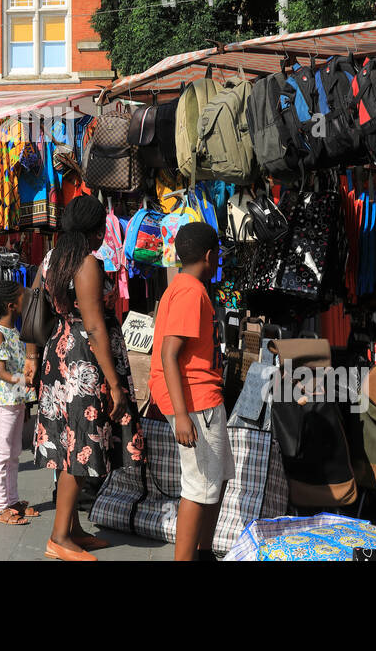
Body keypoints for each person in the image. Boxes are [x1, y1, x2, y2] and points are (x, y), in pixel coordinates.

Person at [33, 194, 143, 561]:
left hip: (60, 353)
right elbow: (95, 328)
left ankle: (73, 529)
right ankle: (59, 537)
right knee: (78, 446)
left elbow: (40, 304)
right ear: (94, 231)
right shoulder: (87, 264)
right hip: (84, 360)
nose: (102, 237)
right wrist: (114, 385)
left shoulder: (52, 260)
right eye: (100, 230)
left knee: (70, 442)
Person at [149, 221, 233, 561]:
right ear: (211, 256)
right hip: (196, 401)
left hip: (200, 398)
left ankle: (203, 551)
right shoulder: (190, 292)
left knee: (217, 478)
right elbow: (170, 353)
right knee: (199, 487)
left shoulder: (183, 287)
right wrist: (183, 416)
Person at [0, 279, 39, 525]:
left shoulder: (15, 331)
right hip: (3, 402)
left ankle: (12, 500)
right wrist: (26, 382)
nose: (25, 300)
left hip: (15, 401)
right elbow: (2, 373)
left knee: (14, 453)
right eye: (21, 297)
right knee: (0, 454)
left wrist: (25, 400)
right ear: (10, 305)